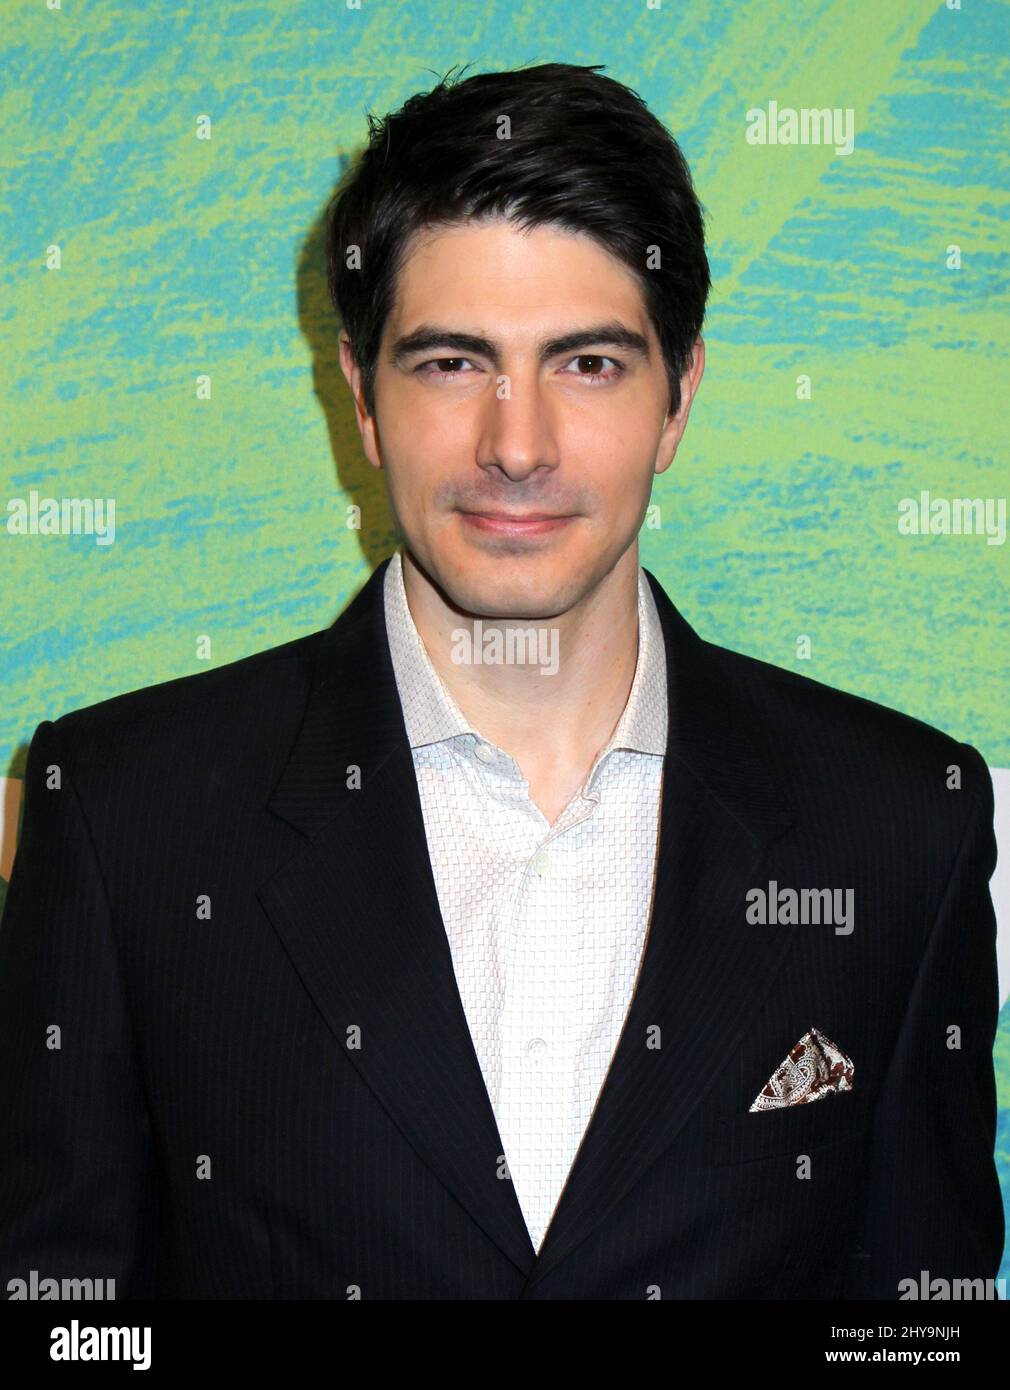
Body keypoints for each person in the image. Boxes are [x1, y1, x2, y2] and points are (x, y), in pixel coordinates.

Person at [0, 62, 1002, 1300]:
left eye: (585, 365)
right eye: (448, 364)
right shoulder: (124, 814)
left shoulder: (899, 821)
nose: (514, 445)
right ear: (360, 401)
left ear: (677, 398)